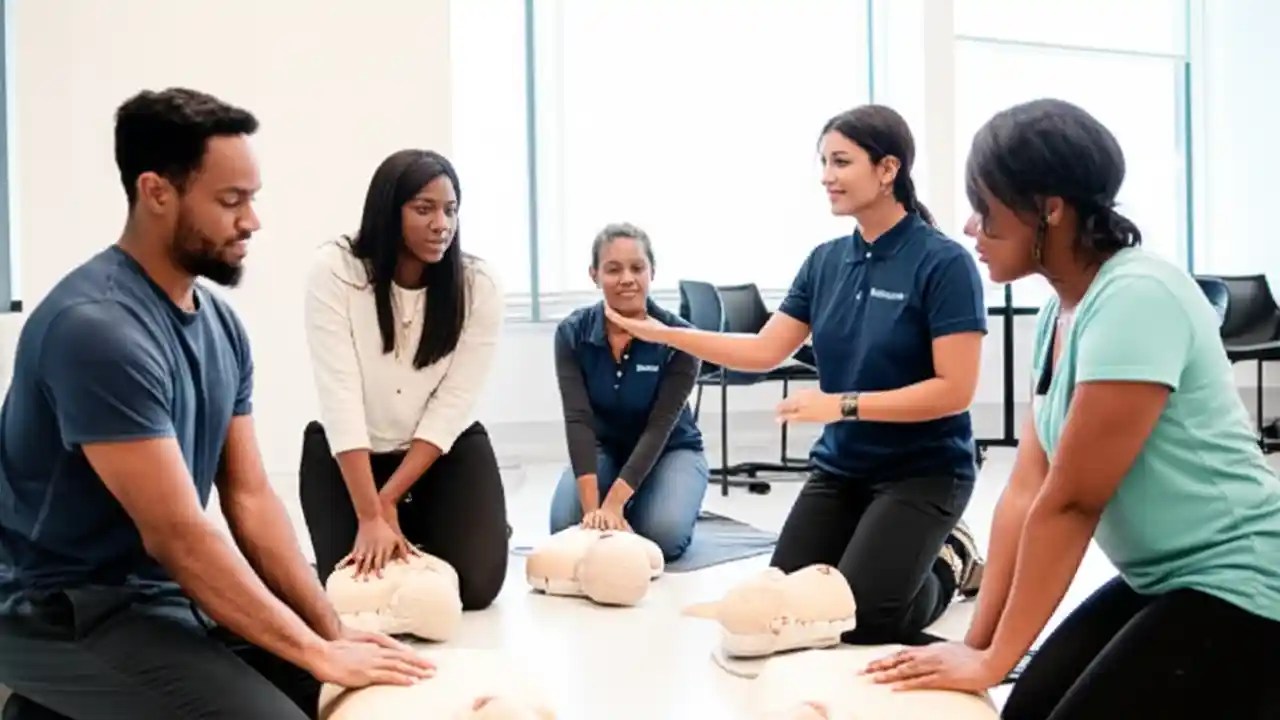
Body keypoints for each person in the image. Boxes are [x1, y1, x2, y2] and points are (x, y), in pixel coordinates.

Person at [0, 88, 432, 720]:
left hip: (157, 594)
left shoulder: (221, 326)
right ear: (156, 193)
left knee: (335, 685)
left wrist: (329, 631)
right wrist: (315, 652)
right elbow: (179, 533)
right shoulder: (97, 329)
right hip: (57, 609)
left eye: (252, 198)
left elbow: (251, 498)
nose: (252, 221)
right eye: (231, 201)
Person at [864, 98, 1280, 718]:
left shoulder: (1136, 296)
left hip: (1244, 584)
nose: (971, 227)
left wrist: (996, 659)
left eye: (986, 206)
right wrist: (978, 644)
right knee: (1026, 710)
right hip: (1163, 578)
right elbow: (1026, 489)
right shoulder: (1061, 311)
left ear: (1049, 210)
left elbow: (1072, 501)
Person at [605, 105, 988, 644]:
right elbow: (764, 349)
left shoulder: (943, 264)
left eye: (841, 162)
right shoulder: (827, 261)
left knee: (865, 620)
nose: (826, 176)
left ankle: (955, 556)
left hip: (922, 470)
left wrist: (842, 405)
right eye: (823, 162)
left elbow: (955, 391)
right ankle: (886, 544)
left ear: (888, 170)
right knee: (781, 600)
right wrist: (667, 334)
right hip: (844, 468)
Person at [300, 148, 508, 611]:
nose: (442, 224)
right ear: (388, 211)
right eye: (424, 209)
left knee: (476, 587)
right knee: (353, 592)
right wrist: (368, 512)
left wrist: (388, 499)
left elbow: (454, 401)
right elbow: (340, 397)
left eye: (451, 210)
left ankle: (443, 519)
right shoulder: (334, 271)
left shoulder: (479, 285)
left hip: (437, 454)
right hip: (351, 456)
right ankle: (401, 524)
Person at [550, 223, 710, 561]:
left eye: (637, 268)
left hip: (671, 450)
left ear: (652, 271)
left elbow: (659, 428)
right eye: (613, 269)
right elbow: (578, 420)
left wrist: (614, 503)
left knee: (661, 536)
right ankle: (627, 503)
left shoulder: (680, 338)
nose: (627, 278)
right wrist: (594, 514)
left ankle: (658, 496)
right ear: (594, 275)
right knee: (567, 525)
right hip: (605, 448)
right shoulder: (571, 334)